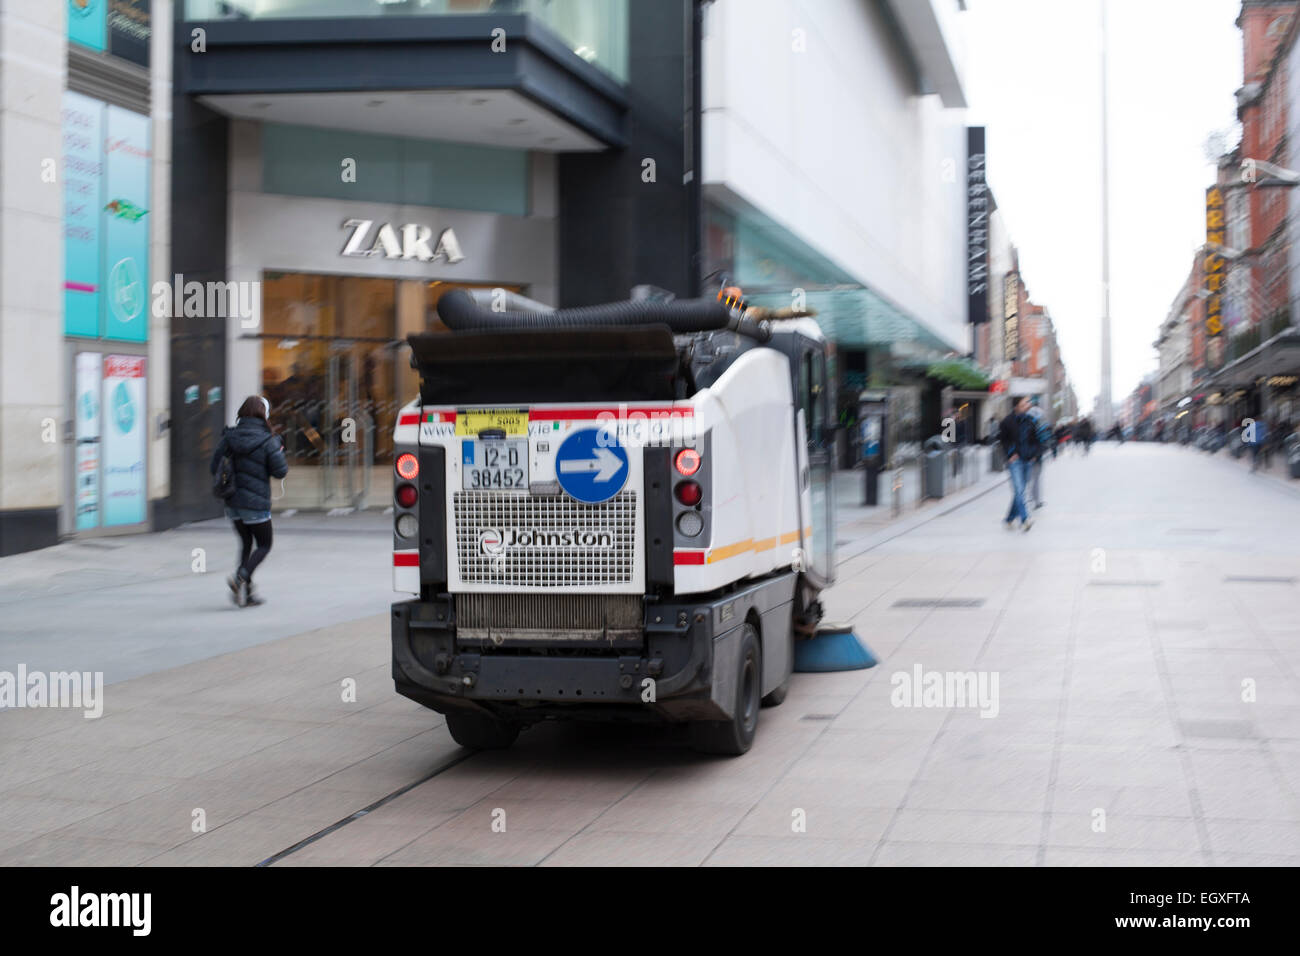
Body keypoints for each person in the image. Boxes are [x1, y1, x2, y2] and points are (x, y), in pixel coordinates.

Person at [210, 396, 288, 607]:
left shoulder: (229, 437)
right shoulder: (268, 440)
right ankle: (240, 578)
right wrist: (279, 453)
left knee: (245, 544)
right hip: (256, 503)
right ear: (264, 414)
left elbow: (213, 467)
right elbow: (280, 471)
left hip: (233, 502)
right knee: (264, 544)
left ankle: (246, 594)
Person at [998, 396, 1041, 532]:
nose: (1028, 405)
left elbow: (1036, 439)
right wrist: (1010, 454)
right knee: (1019, 490)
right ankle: (1025, 519)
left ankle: (1009, 519)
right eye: (1025, 403)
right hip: (1015, 461)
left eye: (1028, 403)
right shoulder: (1007, 421)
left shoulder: (1030, 421)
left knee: (1020, 491)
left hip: (1028, 460)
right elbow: (1003, 440)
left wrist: (1035, 454)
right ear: (1016, 406)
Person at [1026, 398, 1052, 509]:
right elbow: (1045, 437)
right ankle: (1036, 500)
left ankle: (1029, 497)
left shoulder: (1025, 418)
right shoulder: (1042, 418)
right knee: (1036, 477)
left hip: (1026, 453)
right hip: (1037, 454)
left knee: (1028, 477)